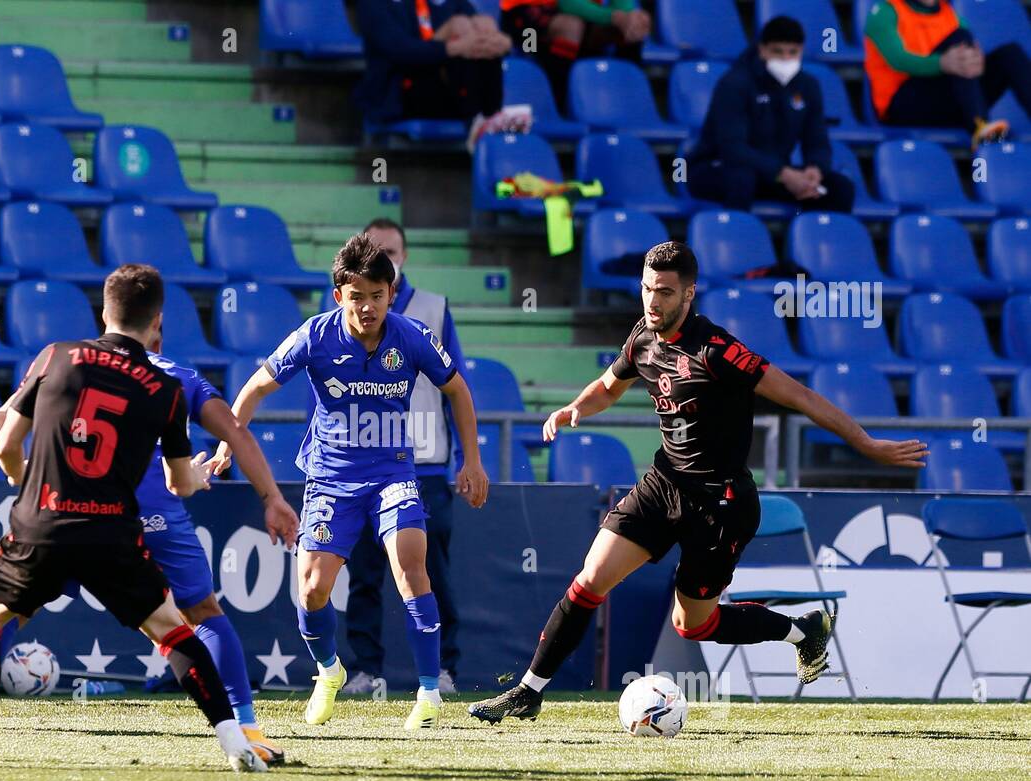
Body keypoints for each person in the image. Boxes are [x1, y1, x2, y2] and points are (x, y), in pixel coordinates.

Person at [468, 242, 928, 723]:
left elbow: (800, 396)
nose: (653, 301)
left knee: (693, 625)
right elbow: (608, 387)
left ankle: (801, 629)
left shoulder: (718, 350)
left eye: (665, 292)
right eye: (647, 289)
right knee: (590, 579)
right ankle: (528, 692)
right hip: (664, 483)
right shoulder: (642, 339)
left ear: (689, 293)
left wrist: (867, 443)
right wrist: (575, 408)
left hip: (721, 503)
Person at [0, 277, 301, 766]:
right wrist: (254, 491)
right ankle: (240, 734)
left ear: (103, 314)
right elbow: (221, 443)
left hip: (50, 517)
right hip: (126, 524)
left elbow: (9, 441)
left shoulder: (58, 357)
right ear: (158, 323)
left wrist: (25, 478)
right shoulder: (172, 384)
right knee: (188, 620)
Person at [213, 235, 489, 730]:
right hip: (330, 478)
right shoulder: (314, 336)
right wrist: (229, 442)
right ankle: (328, 671)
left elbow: (457, 390)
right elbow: (256, 386)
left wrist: (473, 461)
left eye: (377, 296)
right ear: (339, 295)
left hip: (393, 474)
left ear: (391, 292)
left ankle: (429, 693)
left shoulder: (412, 335)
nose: (367, 307)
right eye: (356, 296)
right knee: (313, 590)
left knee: (411, 566)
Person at [342, 218, 466, 696]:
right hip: (361, 465)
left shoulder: (433, 308)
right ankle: (365, 670)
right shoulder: (346, 312)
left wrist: (467, 463)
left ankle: (444, 671)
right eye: (376, 252)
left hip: (426, 462)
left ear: (404, 257)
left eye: (391, 253)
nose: (385, 261)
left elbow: (457, 388)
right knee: (365, 576)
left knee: (433, 573)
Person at [687, 16, 855, 213]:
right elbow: (733, 148)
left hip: (774, 173)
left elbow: (817, 140)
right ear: (762, 49)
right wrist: (783, 174)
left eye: (792, 52)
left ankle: (809, 238)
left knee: (839, 188)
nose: (785, 59)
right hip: (719, 169)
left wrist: (815, 169)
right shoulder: (734, 84)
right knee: (741, 179)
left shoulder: (808, 85)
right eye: (777, 51)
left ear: (801, 51)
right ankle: (738, 239)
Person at [356, 0, 530, 151]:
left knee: (478, 31)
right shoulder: (373, 3)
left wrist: (499, 41)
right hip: (399, 93)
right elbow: (400, 50)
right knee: (461, 41)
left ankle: (490, 117)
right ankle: (482, 119)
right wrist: (450, 45)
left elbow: (476, 30)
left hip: (445, 91)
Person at [865, 0, 1031, 148]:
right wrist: (942, 63)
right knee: (960, 40)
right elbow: (898, 60)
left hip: (946, 103)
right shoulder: (885, 11)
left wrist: (976, 61)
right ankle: (980, 125)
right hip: (903, 106)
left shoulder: (949, 14)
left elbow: (970, 55)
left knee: (1009, 54)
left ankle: (979, 123)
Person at [501, 0, 652, 103]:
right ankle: (558, 103)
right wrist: (615, 17)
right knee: (570, 26)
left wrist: (628, 19)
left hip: (581, 13)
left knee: (636, 25)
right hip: (525, 23)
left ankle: (626, 101)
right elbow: (566, 3)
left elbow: (623, 7)